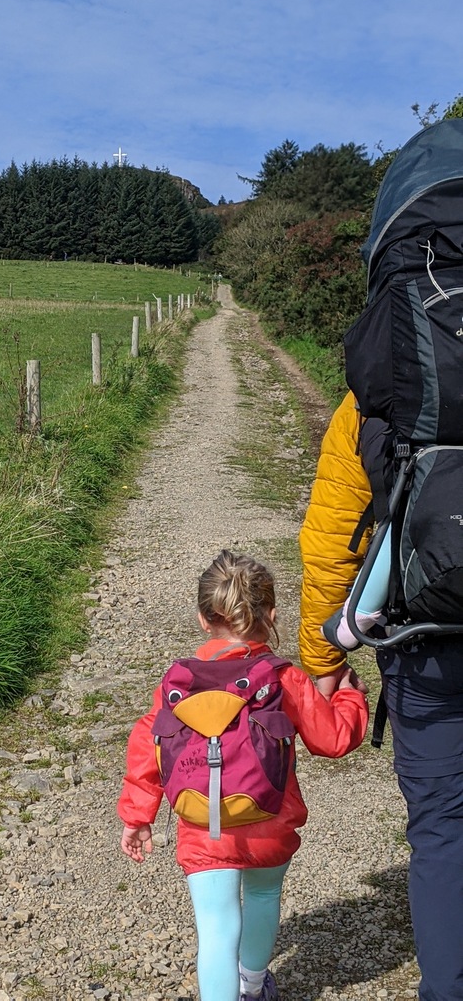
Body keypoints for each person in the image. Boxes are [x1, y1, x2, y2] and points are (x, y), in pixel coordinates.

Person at [118, 549, 369, 1001]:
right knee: (261, 898)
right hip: (269, 821)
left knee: (215, 927)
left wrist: (138, 816)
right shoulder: (281, 677)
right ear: (271, 615)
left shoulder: (177, 682)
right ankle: (252, 987)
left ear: (201, 618)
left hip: (203, 825)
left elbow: (146, 748)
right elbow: (331, 740)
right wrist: (350, 697)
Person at [300, 391, 463, 1000]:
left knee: (442, 827)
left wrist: (324, 657)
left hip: (423, 640)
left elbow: (332, 538)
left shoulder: (382, 385)